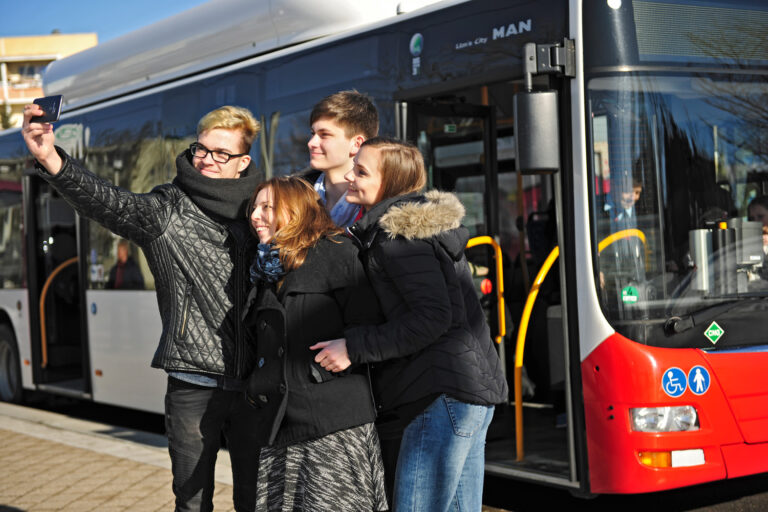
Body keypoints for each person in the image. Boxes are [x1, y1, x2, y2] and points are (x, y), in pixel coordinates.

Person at [22, 104, 264, 511]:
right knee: (192, 500)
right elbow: (108, 203)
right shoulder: (166, 208)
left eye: (221, 153)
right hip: (193, 380)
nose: (206, 159)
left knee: (256, 498)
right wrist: (51, 158)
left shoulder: (262, 210)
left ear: (243, 162)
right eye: (200, 149)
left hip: (257, 381)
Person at [312, 137, 508, 510]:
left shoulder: (398, 237)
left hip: (440, 393)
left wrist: (353, 347)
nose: (350, 177)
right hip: (468, 390)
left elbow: (431, 318)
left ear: (391, 182)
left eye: (362, 171)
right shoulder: (420, 230)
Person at [244, 176, 386, 511]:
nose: (255, 215)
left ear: (294, 211)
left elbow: (370, 321)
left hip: (331, 425)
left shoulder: (335, 252)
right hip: (281, 425)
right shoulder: (265, 267)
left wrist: (350, 348)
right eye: (254, 207)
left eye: (267, 207)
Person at [299, 90, 379, 227]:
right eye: (313, 133)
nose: (311, 143)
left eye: (324, 135)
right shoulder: (293, 197)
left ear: (356, 144)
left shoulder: (381, 208)